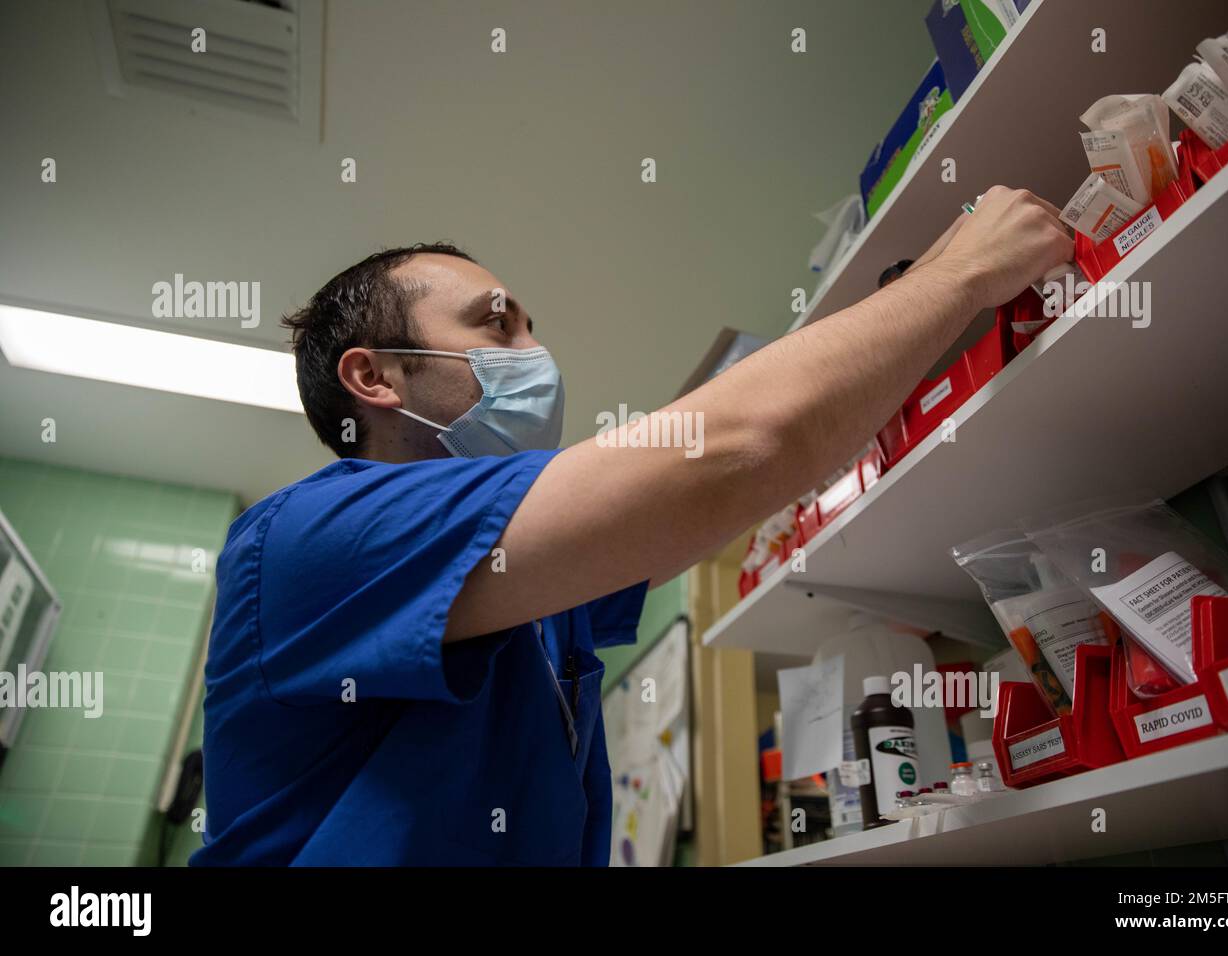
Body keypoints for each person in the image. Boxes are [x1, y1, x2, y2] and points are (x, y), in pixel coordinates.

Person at [191, 186, 1073, 865]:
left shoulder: (533, 596)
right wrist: (959, 276)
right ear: (375, 377)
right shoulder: (310, 540)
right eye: (497, 328)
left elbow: (728, 489)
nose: (536, 356)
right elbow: (747, 446)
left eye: (535, 330)